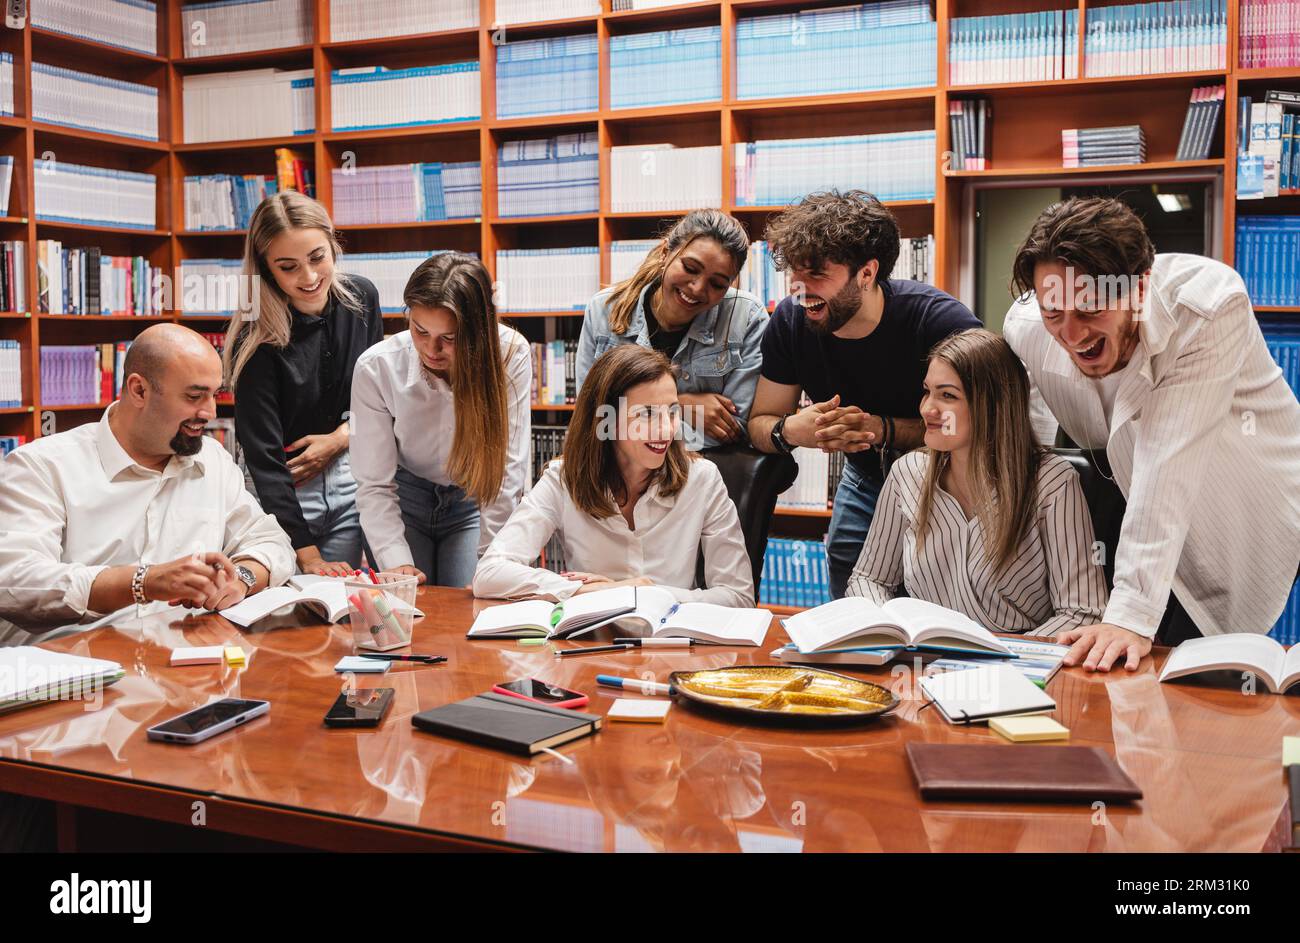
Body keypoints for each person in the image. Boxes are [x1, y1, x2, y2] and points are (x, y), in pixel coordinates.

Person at [1004, 196, 1300, 671]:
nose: (1072, 333)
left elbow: (1168, 460)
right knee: (1111, 658)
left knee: (1198, 668)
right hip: (1125, 485)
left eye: (1091, 308)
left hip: (1234, 487)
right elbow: (1029, 452)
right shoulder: (1026, 328)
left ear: (1138, 288)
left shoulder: (1206, 307)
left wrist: (1131, 616)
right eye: (1054, 311)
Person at [0, 324, 296, 645]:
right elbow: (16, 584)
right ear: (139, 390)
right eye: (194, 396)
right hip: (75, 669)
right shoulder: (41, 466)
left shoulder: (213, 459)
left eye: (215, 395)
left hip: (188, 669)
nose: (209, 412)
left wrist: (241, 578)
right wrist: (144, 582)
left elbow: (271, 542)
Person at [748, 190, 980, 598]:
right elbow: (760, 424)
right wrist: (792, 432)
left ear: (867, 273)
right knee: (851, 583)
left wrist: (881, 429)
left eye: (818, 274)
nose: (801, 290)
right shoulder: (788, 321)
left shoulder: (940, 322)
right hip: (865, 476)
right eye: (794, 275)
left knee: (939, 592)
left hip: (947, 480)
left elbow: (980, 424)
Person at [847, 329, 1108, 636]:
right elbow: (869, 579)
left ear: (993, 406)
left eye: (947, 396)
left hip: (1016, 672)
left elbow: (1083, 612)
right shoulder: (907, 474)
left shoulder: (1053, 483)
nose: (926, 409)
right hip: (925, 664)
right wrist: (894, 629)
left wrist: (1009, 656)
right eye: (927, 391)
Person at [474, 344, 754, 607]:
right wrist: (589, 590)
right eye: (646, 414)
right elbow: (489, 574)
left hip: (672, 649)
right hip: (590, 647)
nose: (666, 430)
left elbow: (739, 597)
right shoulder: (563, 480)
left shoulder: (703, 479)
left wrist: (647, 594)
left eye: (672, 412)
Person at [223, 191, 383, 576]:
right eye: (288, 267)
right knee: (285, 627)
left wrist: (340, 438)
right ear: (267, 270)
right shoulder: (254, 335)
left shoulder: (363, 298)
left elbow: (380, 405)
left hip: (350, 482)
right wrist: (306, 554)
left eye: (317, 258)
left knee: (340, 617)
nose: (309, 277)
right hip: (282, 493)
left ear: (332, 245)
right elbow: (263, 457)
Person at [350, 252, 531, 587]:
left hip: (472, 497)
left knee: (467, 609)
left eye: (449, 338)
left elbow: (507, 472)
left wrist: (493, 563)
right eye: (420, 331)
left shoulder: (510, 354)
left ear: (478, 332)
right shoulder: (376, 367)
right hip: (403, 499)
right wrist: (396, 561)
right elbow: (374, 483)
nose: (432, 349)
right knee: (411, 610)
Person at [576, 209, 767, 450]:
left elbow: (733, 432)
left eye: (717, 284)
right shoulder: (603, 310)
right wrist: (682, 405)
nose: (697, 288)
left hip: (702, 476)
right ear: (666, 253)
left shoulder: (747, 318)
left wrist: (636, 420)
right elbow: (592, 420)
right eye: (690, 268)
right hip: (618, 475)